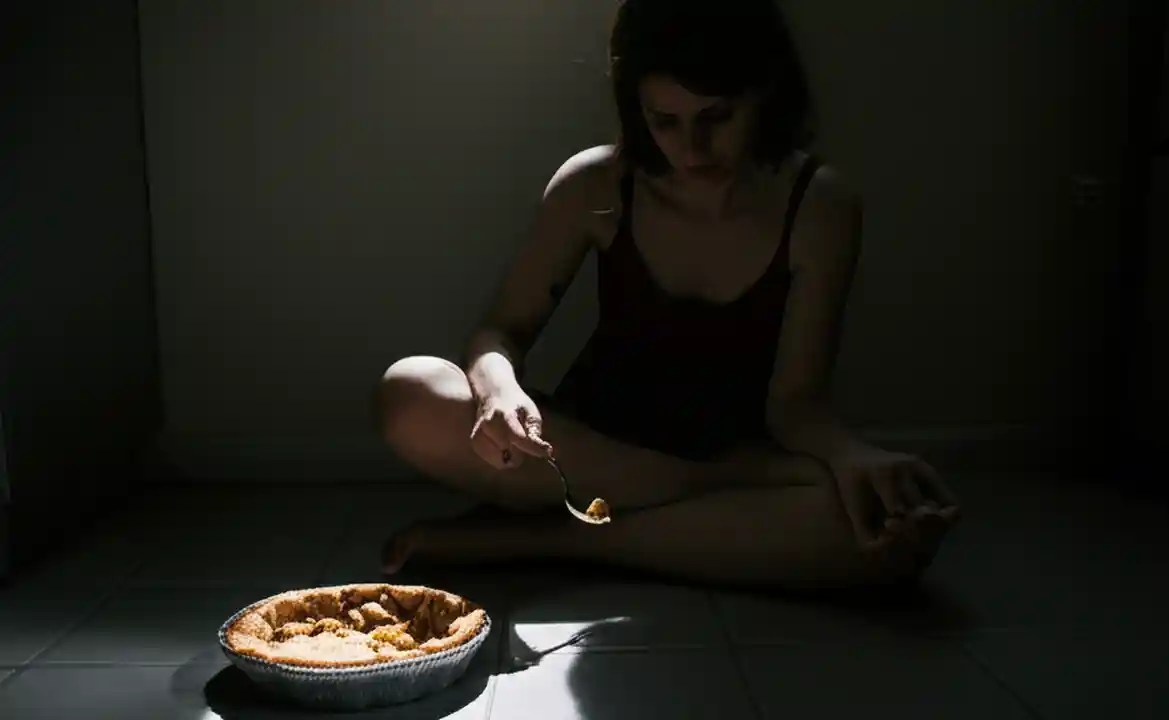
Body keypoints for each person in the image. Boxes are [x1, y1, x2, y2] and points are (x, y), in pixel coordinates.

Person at [376, 0, 960, 590]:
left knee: (885, 535)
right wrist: (497, 391)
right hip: (597, 452)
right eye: (665, 121)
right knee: (410, 393)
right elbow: (500, 333)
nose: (692, 149)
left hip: (732, 458)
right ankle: (662, 516)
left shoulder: (819, 205)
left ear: (764, 94)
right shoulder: (597, 183)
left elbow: (796, 407)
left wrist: (851, 456)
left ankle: (540, 539)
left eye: (716, 117)